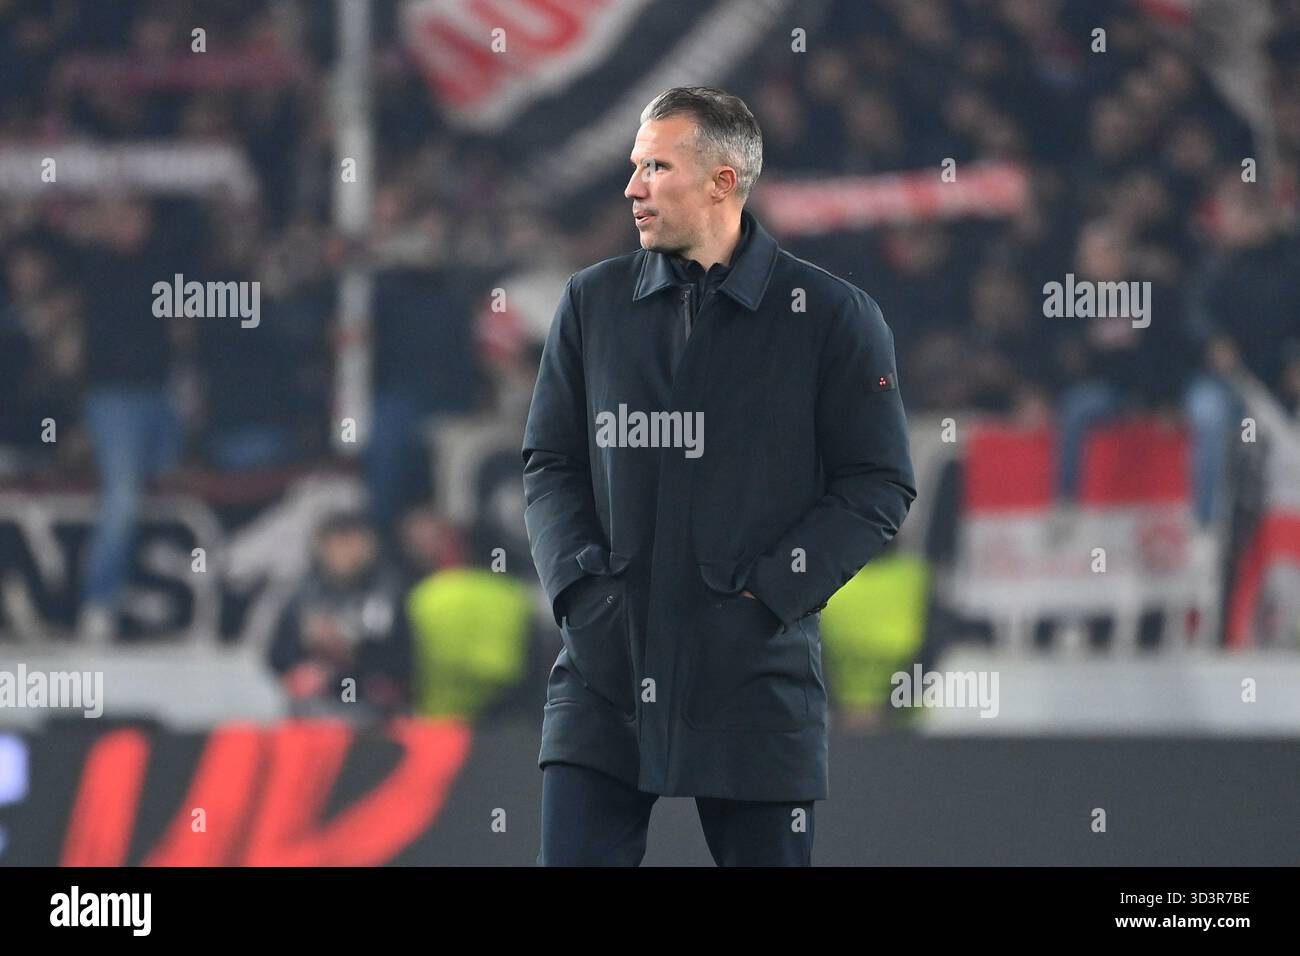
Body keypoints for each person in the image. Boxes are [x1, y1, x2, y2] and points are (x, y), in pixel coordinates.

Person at [522, 87, 916, 866]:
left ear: (722, 182)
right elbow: (549, 462)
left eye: (656, 167)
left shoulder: (834, 316)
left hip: (754, 679)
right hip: (604, 672)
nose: (632, 187)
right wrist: (579, 592)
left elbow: (877, 485)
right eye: (635, 166)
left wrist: (767, 597)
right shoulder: (590, 303)